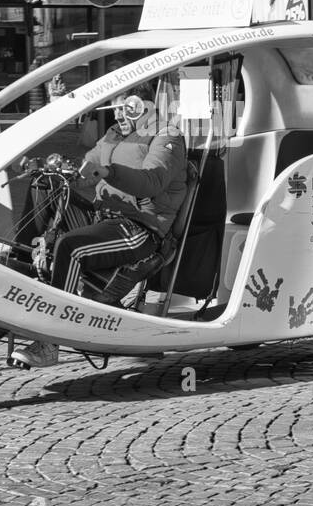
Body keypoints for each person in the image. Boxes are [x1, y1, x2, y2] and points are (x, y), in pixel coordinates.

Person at [12, 78, 188, 368]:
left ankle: (50, 343)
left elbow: (152, 181)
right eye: (116, 108)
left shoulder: (167, 136)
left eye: (125, 107)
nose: (118, 114)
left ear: (144, 106)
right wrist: (59, 168)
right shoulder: (112, 136)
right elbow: (85, 169)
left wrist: (108, 171)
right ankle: (17, 272)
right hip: (102, 216)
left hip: (140, 228)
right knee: (45, 184)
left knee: (71, 247)